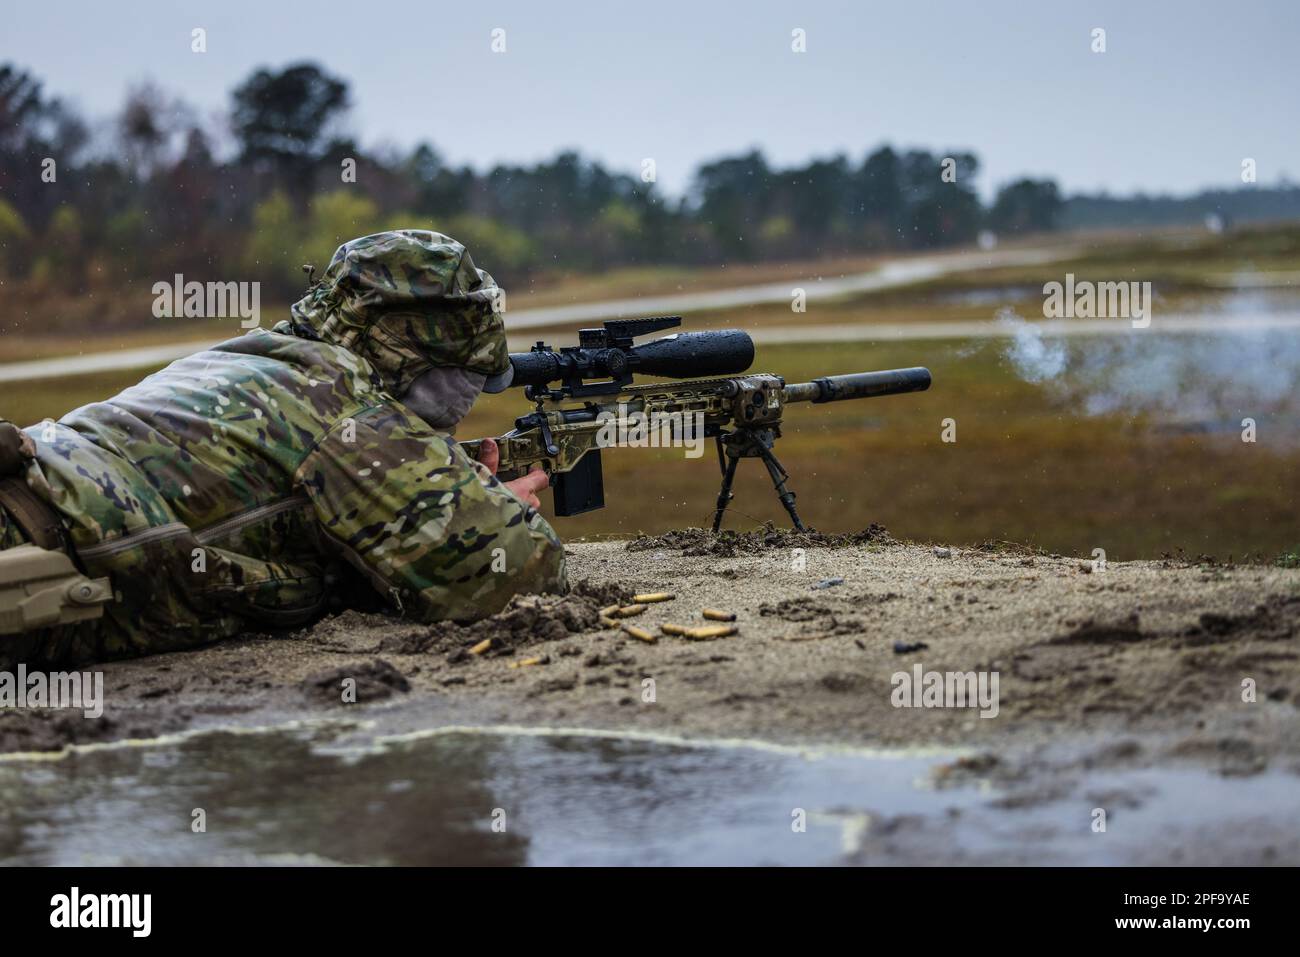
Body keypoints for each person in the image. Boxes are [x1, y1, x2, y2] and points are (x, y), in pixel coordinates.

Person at [0, 230, 565, 669]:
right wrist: (496, 509)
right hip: (32, 554)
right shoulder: (346, 405)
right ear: (415, 357)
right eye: (463, 378)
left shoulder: (250, 356)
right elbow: (512, 575)